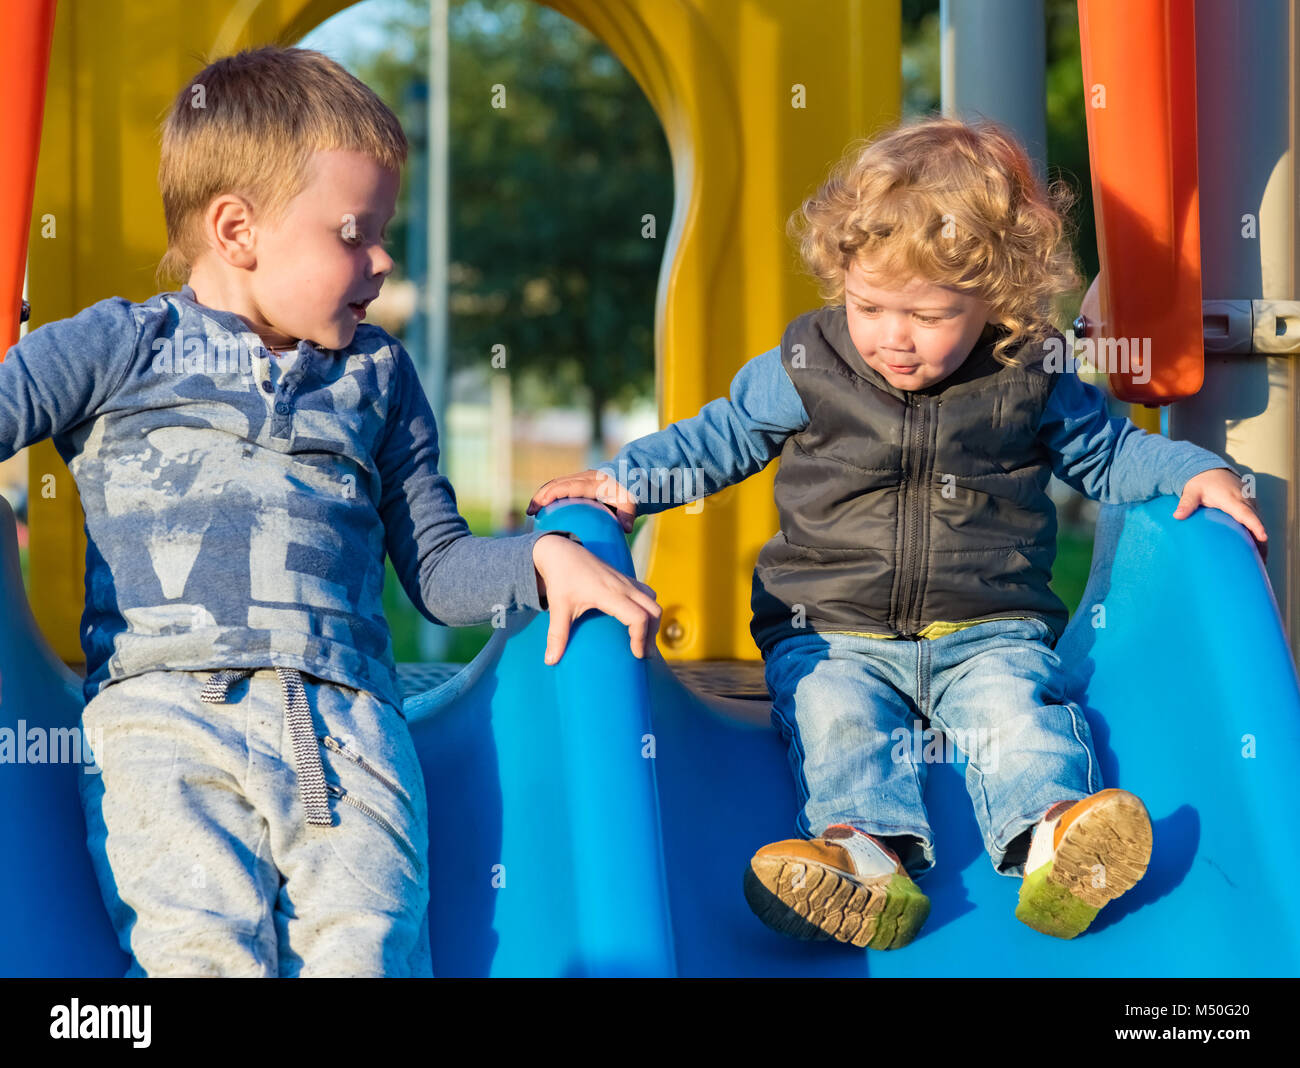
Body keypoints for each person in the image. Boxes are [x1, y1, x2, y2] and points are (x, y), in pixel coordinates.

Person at [528, 116, 1267, 949]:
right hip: (832, 628)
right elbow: (718, 440)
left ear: (995, 293)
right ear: (841, 276)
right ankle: (863, 861)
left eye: (927, 314)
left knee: (1018, 711)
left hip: (988, 625)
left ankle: (1059, 842)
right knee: (836, 717)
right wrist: (626, 482)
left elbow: (1110, 454)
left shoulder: (1032, 370)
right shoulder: (810, 364)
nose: (892, 336)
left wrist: (1192, 472)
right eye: (869, 304)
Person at [0, 45, 660, 976]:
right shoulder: (118, 346)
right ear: (238, 230)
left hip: (345, 727)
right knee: (201, 949)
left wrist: (538, 561)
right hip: (164, 719)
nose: (384, 259)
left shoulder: (377, 376)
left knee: (372, 947)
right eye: (356, 232)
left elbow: (435, 567)